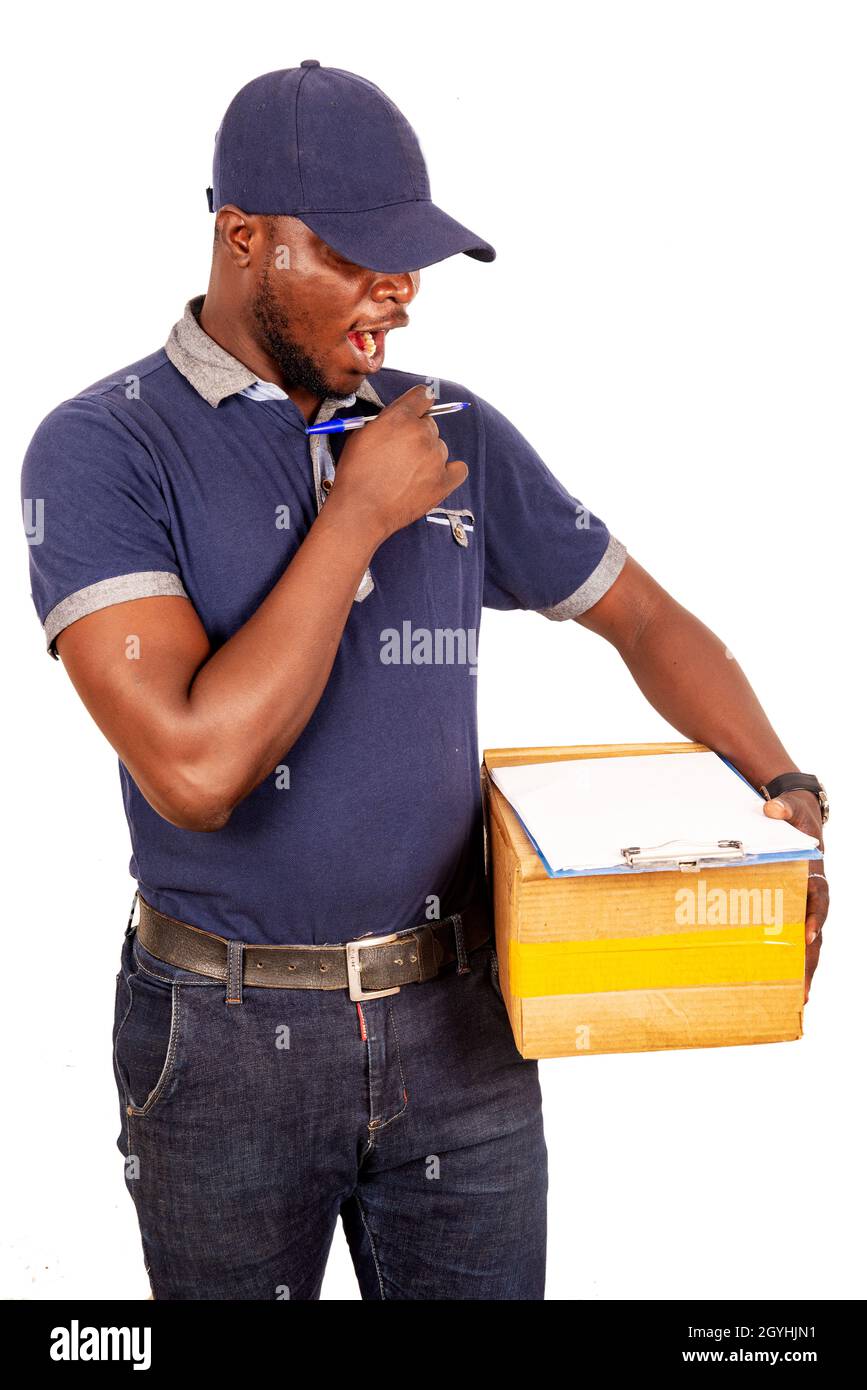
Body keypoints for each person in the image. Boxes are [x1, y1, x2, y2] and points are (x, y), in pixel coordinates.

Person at [20, 62, 829, 1301]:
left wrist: (782, 782)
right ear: (247, 240)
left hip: (461, 1029)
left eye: (412, 257)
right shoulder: (104, 447)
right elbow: (194, 770)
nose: (396, 293)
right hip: (224, 1040)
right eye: (357, 253)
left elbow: (652, 620)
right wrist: (356, 522)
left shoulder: (450, 429)